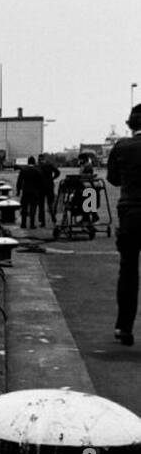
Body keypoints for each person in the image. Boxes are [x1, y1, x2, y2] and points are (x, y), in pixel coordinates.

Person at [106, 104, 141, 345]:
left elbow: (113, 179)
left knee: (128, 271)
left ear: (130, 124)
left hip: (131, 214)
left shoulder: (121, 146)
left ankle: (124, 327)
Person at [16, 156, 42, 230]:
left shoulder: (23, 170)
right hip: (34, 192)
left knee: (24, 207)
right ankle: (32, 224)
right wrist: (39, 191)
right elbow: (40, 182)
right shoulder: (37, 171)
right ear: (34, 162)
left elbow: (19, 181)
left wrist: (18, 191)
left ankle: (23, 224)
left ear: (28, 162)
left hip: (26, 191)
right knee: (33, 208)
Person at [37, 153, 60, 230]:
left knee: (41, 205)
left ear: (39, 159)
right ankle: (53, 218)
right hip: (49, 186)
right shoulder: (49, 165)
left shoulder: (38, 166)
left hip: (40, 187)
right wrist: (53, 178)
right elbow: (58, 172)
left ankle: (42, 222)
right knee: (50, 204)